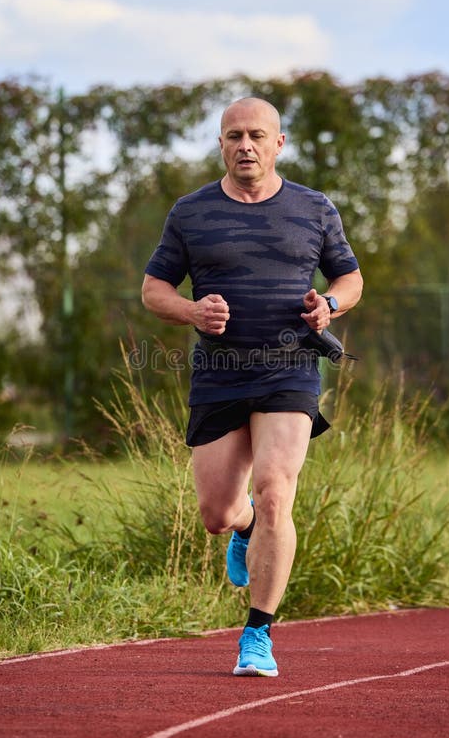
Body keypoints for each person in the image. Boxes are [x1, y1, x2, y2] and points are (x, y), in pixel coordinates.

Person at [142, 97, 363, 677]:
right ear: (220, 144)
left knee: (275, 491)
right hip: (219, 375)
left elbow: (350, 275)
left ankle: (257, 634)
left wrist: (330, 304)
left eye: (256, 135)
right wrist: (192, 311)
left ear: (278, 143)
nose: (246, 145)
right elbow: (153, 290)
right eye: (234, 135)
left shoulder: (313, 208)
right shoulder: (191, 212)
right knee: (218, 513)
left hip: (290, 367)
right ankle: (242, 530)